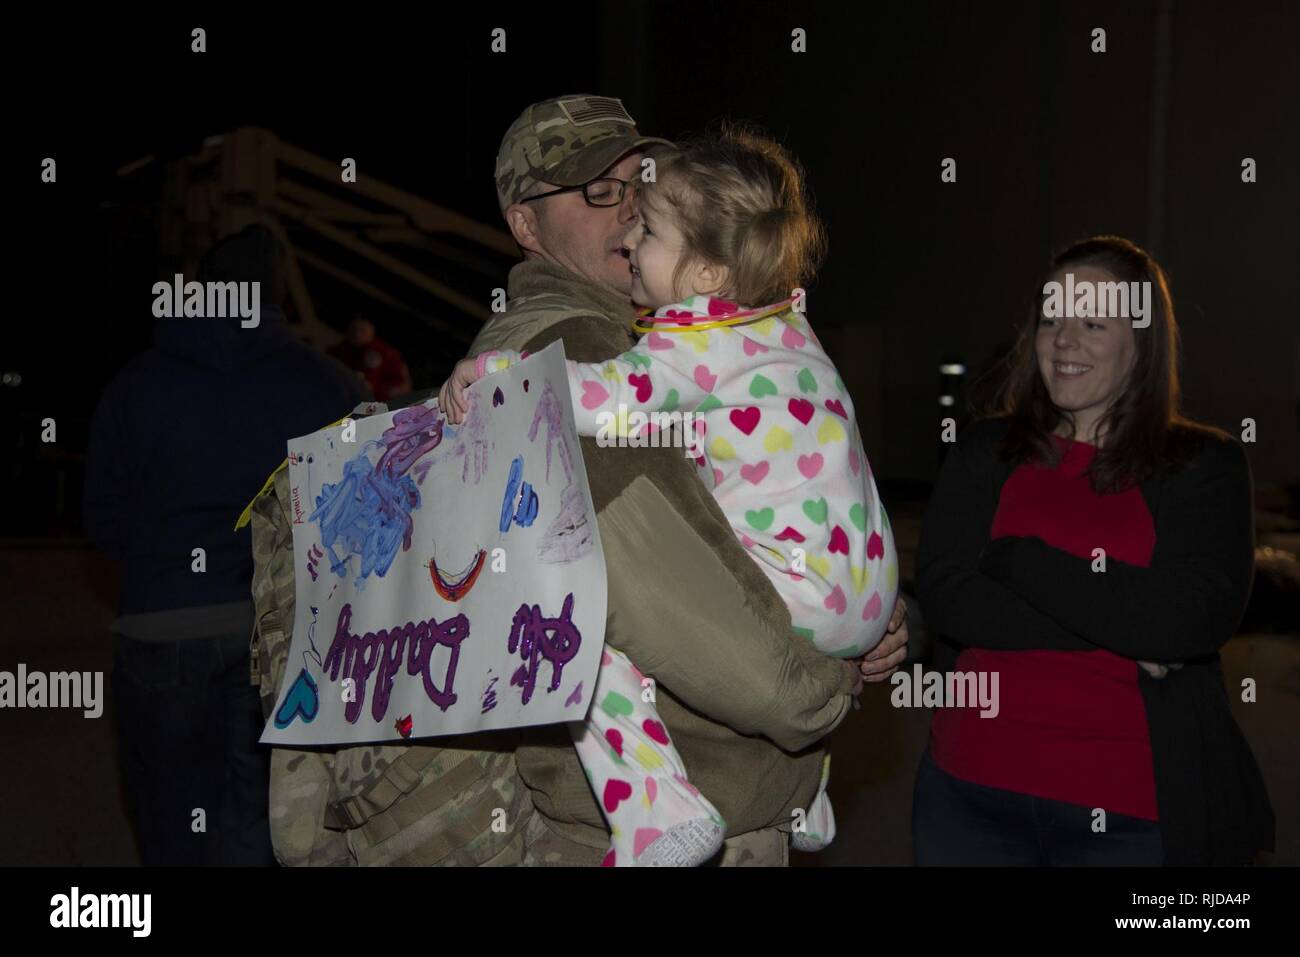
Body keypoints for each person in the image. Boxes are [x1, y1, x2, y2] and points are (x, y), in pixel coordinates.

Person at [441, 127, 899, 865]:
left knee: (573, 635)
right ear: (524, 224)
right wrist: (837, 670)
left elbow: (597, 398)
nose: (626, 224)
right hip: (862, 580)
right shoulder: (781, 321)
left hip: (797, 617)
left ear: (709, 271)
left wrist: (498, 373)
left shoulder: (680, 341)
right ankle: (807, 790)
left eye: (640, 198)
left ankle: (657, 810)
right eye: (599, 193)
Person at [912, 235, 1274, 865]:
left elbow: (1191, 619)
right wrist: (1130, 625)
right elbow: (950, 601)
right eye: (1051, 319)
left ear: (1141, 343)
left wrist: (1018, 560)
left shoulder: (1202, 466)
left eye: (1092, 322)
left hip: (1130, 815)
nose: (1063, 340)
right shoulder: (986, 451)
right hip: (970, 795)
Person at [84, 224, 371, 865]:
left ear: (204, 291)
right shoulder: (329, 385)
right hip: (275, 635)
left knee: (169, 815)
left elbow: (101, 520)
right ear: (277, 296)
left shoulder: (136, 383)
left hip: (160, 628)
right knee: (260, 818)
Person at [329, 314, 413, 402]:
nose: (357, 334)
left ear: (372, 329)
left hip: (383, 403)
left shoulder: (377, 351)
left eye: (362, 330)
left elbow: (367, 386)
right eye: (353, 330)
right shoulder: (345, 348)